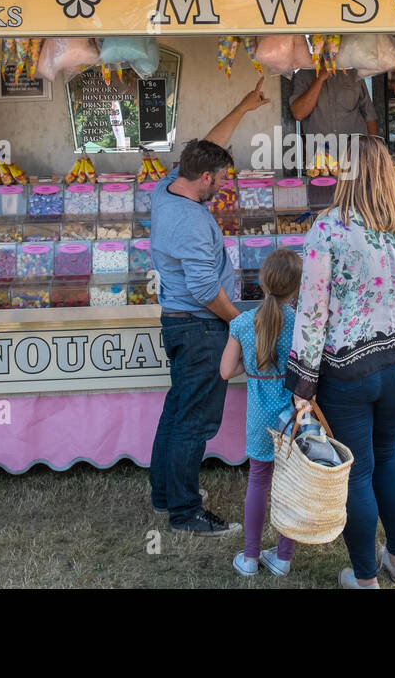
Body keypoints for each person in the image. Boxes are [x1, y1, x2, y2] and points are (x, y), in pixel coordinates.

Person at [287, 135, 395, 588]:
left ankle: (366, 577)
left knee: (358, 471)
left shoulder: (329, 228)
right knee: (389, 458)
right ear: (390, 172)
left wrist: (302, 378)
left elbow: (312, 307)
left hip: (347, 370)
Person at [148, 79, 271, 536]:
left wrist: (242, 105)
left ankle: (165, 496)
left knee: (177, 409)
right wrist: (241, 325)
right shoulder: (194, 222)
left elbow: (208, 148)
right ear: (204, 179)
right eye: (220, 181)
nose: (223, 187)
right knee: (194, 421)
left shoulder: (167, 189)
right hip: (200, 329)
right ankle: (185, 510)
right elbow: (205, 291)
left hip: (178, 324)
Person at [219, 247, 302, 577]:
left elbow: (225, 371)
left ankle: (250, 557)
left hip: (259, 418)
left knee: (258, 481)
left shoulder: (241, 323)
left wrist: (252, 366)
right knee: (290, 485)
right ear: (296, 288)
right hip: (292, 419)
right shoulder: (299, 324)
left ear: (262, 282)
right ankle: (283, 557)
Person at [289, 68, 379, 142]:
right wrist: (320, 79)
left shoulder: (353, 72)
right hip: (320, 155)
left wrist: (375, 150)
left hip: (354, 152)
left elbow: (370, 116)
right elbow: (299, 114)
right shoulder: (303, 75)